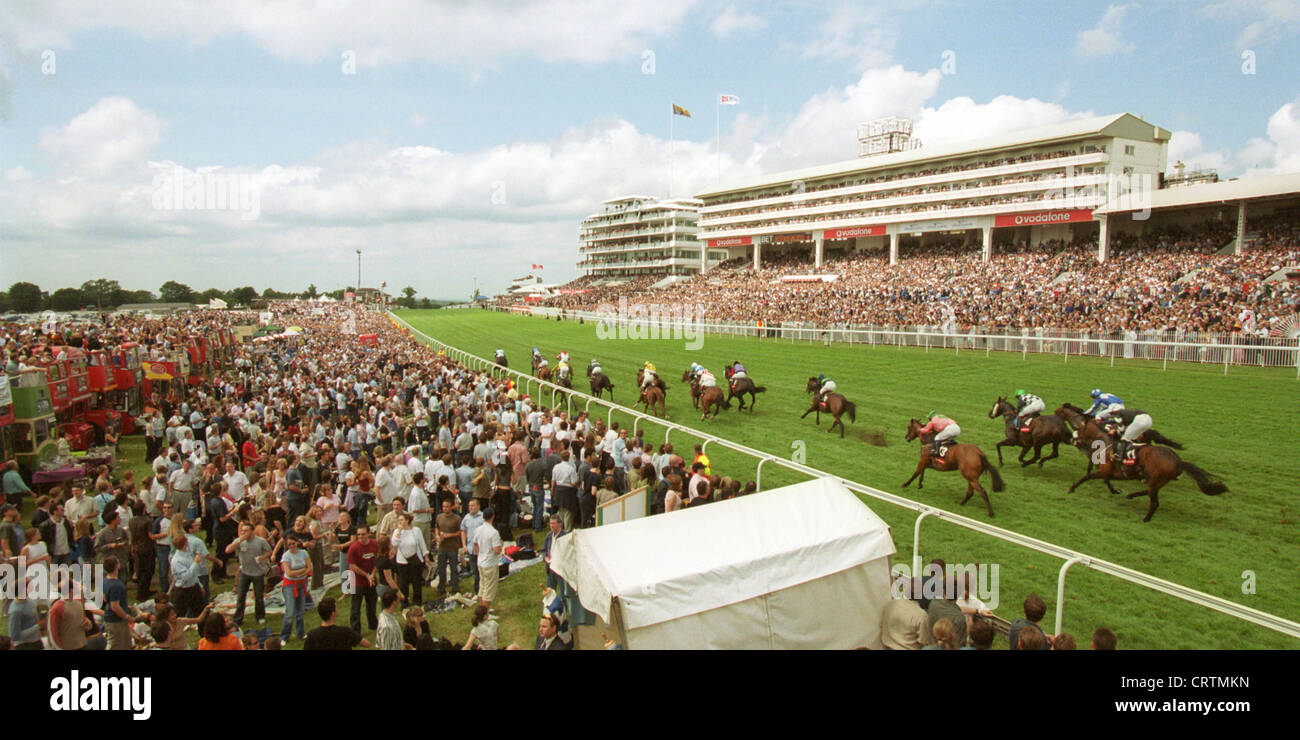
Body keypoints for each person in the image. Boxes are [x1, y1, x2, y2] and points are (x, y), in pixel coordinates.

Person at [227, 522, 272, 626]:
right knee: (241, 596)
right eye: (242, 531)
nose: (244, 533)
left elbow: (269, 551)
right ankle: (238, 619)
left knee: (258, 596)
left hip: (258, 573)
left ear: (252, 531)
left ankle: (260, 616)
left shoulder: (260, 541)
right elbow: (228, 550)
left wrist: (262, 557)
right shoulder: (240, 541)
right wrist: (238, 540)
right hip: (244, 572)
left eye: (246, 530)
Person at [279, 534, 312, 642]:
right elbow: (288, 572)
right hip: (289, 585)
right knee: (290, 611)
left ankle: (301, 633)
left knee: (300, 610)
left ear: (297, 543)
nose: (292, 546)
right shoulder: (286, 556)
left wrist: (299, 573)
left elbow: (310, 567)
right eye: (289, 545)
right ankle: (284, 636)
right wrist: (302, 571)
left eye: (293, 544)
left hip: (302, 583)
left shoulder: (303, 553)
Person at [346, 525, 379, 633]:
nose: (360, 536)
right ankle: (355, 631)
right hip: (357, 582)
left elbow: (378, 560)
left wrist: (373, 574)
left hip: (371, 581)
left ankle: (373, 625)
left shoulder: (375, 544)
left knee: (372, 605)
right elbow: (352, 566)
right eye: (358, 534)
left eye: (363, 534)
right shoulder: (353, 548)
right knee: (355, 608)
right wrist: (366, 575)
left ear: (369, 533)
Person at [304, 597, 369, 650]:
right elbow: (366, 644)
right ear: (333, 613)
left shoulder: (312, 635)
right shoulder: (345, 631)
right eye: (336, 607)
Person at [100, 556, 134, 650]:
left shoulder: (105, 580)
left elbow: (105, 598)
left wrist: (125, 606)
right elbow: (114, 606)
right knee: (115, 645)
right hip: (116, 621)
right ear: (116, 566)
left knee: (126, 644)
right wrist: (127, 617)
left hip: (112, 619)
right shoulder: (116, 585)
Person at [473, 507, 503, 608]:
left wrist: (480, 555)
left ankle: (483, 610)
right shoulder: (493, 532)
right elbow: (496, 550)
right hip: (490, 563)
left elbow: (475, 544)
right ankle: (485, 613)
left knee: (482, 586)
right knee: (489, 589)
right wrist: (501, 545)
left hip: (480, 562)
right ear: (493, 517)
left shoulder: (478, 530)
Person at [433, 498, 462, 596]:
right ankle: (441, 587)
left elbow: (460, 532)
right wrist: (437, 536)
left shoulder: (457, 518)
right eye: (443, 506)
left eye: (447, 507)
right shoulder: (439, 517)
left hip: (452, 547)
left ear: (451, 507)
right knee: (441, 569)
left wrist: (449, 535)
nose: (445, 508)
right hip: (442, 547)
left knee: (454, 568)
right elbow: (437, 527)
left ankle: (455, 587)